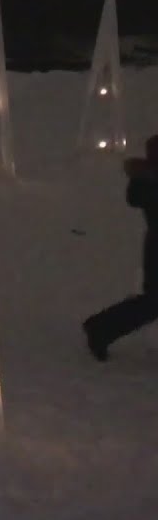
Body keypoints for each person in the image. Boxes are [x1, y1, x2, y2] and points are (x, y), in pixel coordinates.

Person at [84, 135, 158, 360]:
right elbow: (137, 197)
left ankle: (101, 328)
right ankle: (101, 328)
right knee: (153, 302)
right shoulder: (147, 183)